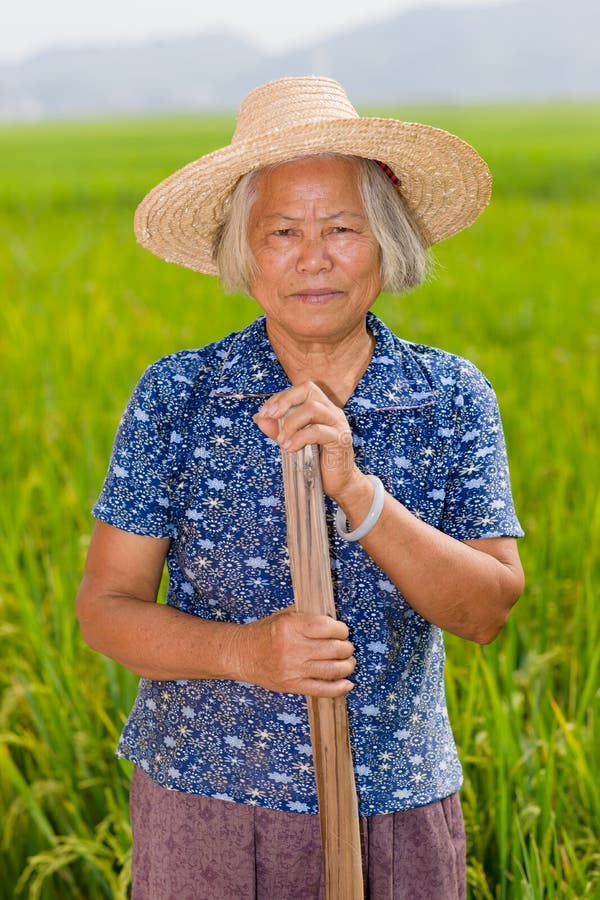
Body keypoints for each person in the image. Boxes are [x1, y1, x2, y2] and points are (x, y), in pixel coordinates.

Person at [76, 76, 524, 899]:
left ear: (385, 244)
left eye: (342, 228)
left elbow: (487, 610)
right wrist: (247, 652)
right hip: (203, 809)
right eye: (282, 231)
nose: (313, 257)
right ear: (246, 254)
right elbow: (106, 607)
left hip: (395, 809)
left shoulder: (452, 397)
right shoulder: (180, 395)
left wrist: (360, 493)